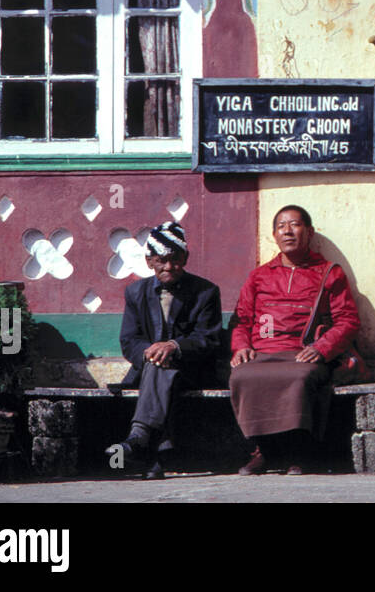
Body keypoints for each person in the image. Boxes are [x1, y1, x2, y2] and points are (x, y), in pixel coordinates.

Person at [230, 205, 360, 475]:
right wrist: (241, 346)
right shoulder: (258, 276)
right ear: (274, 236)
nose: (287, 231)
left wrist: (322, 348)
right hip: (262, 353)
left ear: (310, 232)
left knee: (300, 377)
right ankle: (262, 450)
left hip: (303, 352)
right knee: (243, 376)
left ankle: (299, 451)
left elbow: (348, 320)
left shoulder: (328, 272)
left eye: (295, 225)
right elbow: (242, 319)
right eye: (281, 226)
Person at [111, 221, 222, 479]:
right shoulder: (135, 292)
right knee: (159, 365)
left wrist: (174, 346)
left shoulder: (205, 292)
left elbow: (209, 338)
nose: (169, 267)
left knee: (164, 367)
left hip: (192, 369)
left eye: (175, 259)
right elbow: (129, 340)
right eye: (161, 260)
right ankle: (159, 451)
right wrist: (151, 352)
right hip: (151, 370)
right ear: (149, 261)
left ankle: (140, 437)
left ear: (186, 258)